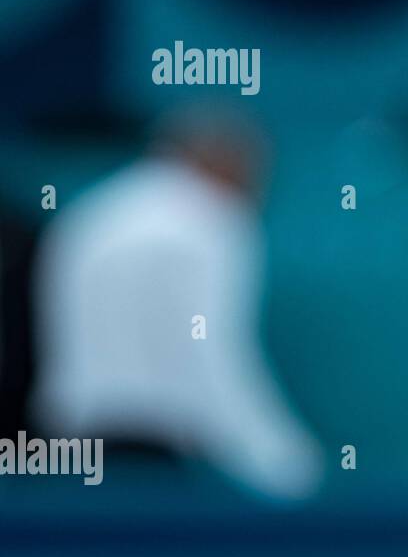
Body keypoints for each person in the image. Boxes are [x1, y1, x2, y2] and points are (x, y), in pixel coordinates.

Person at [30, 105, 324, 501]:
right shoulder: (210, 220)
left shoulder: (89, 213)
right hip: (157, 454)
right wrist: (284, 463)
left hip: (71, 447)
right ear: (230, 161)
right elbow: (214, 351)